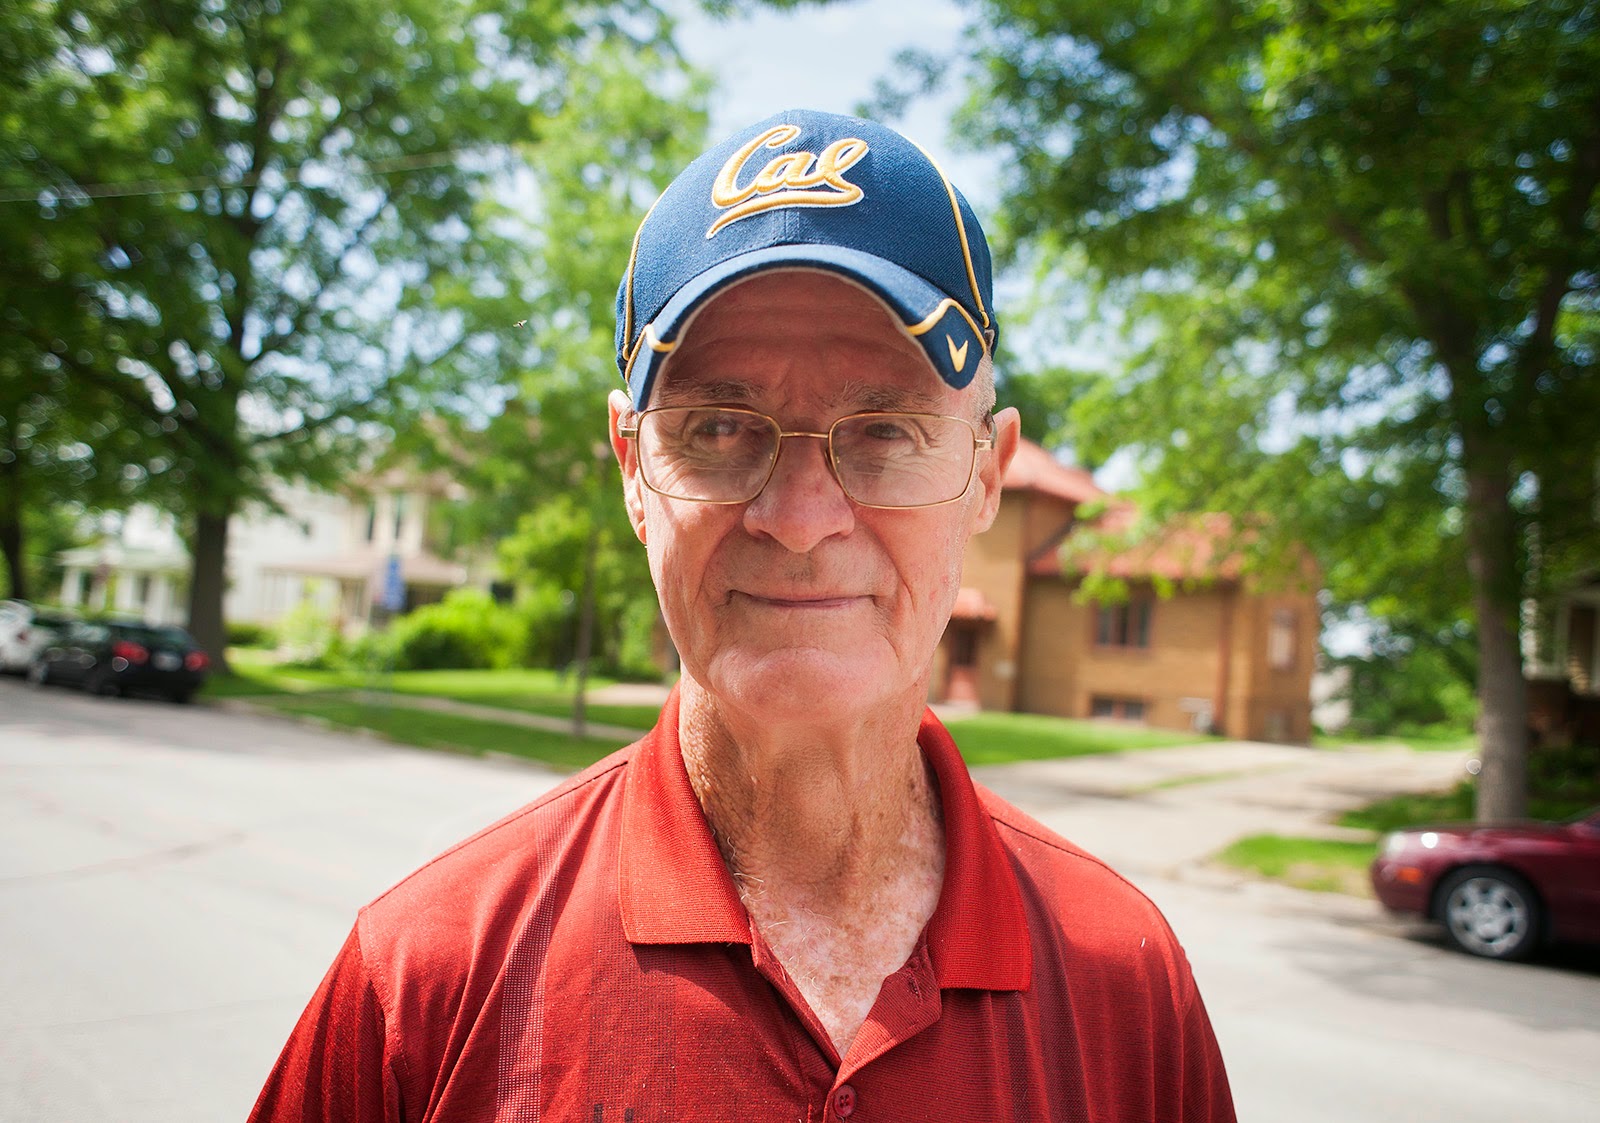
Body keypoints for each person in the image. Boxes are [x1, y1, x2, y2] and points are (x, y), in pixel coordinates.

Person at [250, 109, 1235, 1122]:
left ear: (987, 473)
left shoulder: (1130, 989)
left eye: (885, 430)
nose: (799, 518)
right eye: (719, 427)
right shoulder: (421, 981)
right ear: (632, 467)